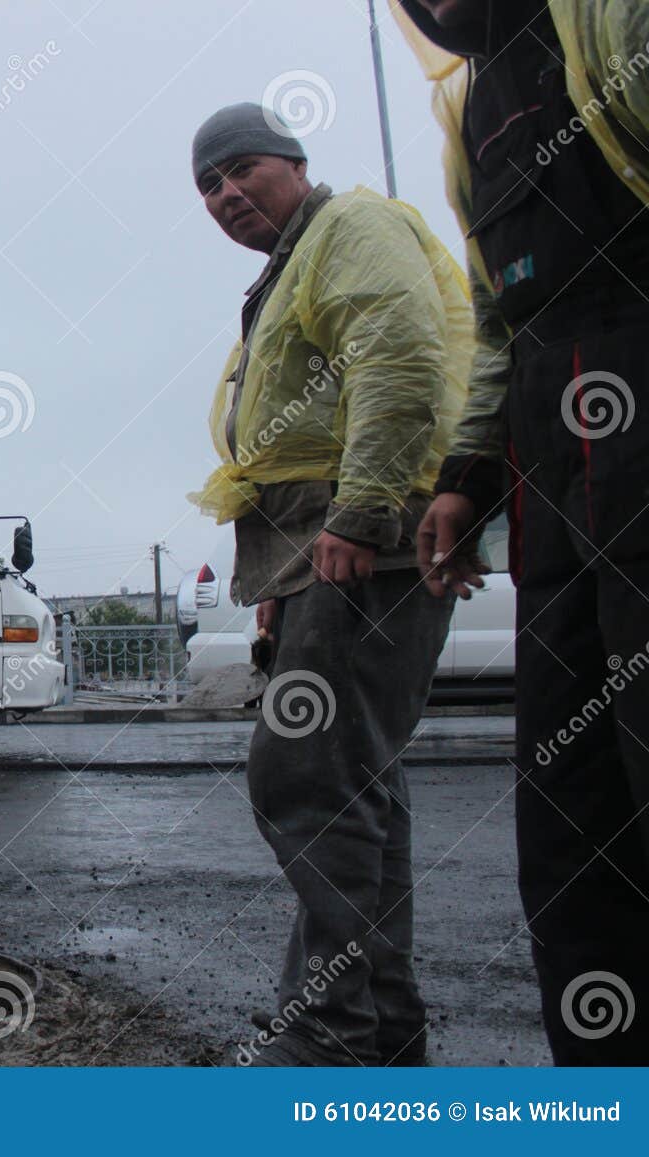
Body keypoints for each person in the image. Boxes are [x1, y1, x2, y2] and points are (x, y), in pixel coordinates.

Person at [189, 104, 472, 1064]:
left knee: (307, 773)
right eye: (209, 185)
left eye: (242, 168)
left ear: (295, 162)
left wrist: (359, 514)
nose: (226, 193)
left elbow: (398, 353)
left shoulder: (350, 225)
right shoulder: (291, 265)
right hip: (324, 548)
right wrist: (281, 572)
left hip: (360, 545)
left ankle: (329, 1030)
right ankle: (379, 1029)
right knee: (353, 782)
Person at [401, 0, 649, 1065]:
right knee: (570, 824)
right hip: (550, 465)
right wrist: (466, 476)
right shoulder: (469, 106)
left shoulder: (606, 19)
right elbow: (497, 318)